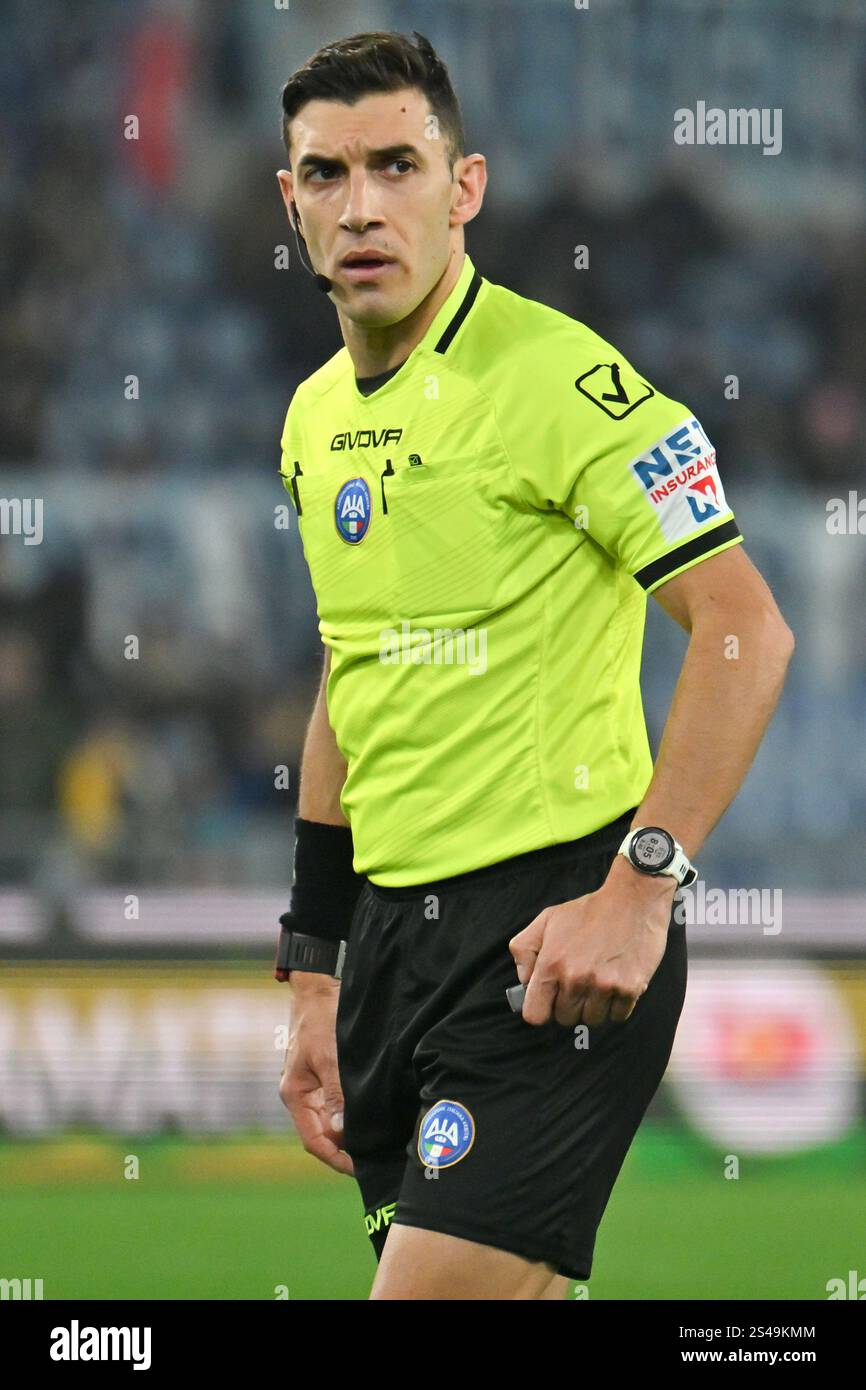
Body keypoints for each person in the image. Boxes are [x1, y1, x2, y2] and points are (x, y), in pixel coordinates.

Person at [272, 30, 794, 1300]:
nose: (360, 206)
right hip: (389, 948)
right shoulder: (311, 419)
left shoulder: (563, 383)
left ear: (465, 189)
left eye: (397, 166)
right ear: (289, 200)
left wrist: (640, 888)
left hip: (549, 935)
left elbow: (742, 629)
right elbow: (351, 677)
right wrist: (313, 966)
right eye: (327, 173)